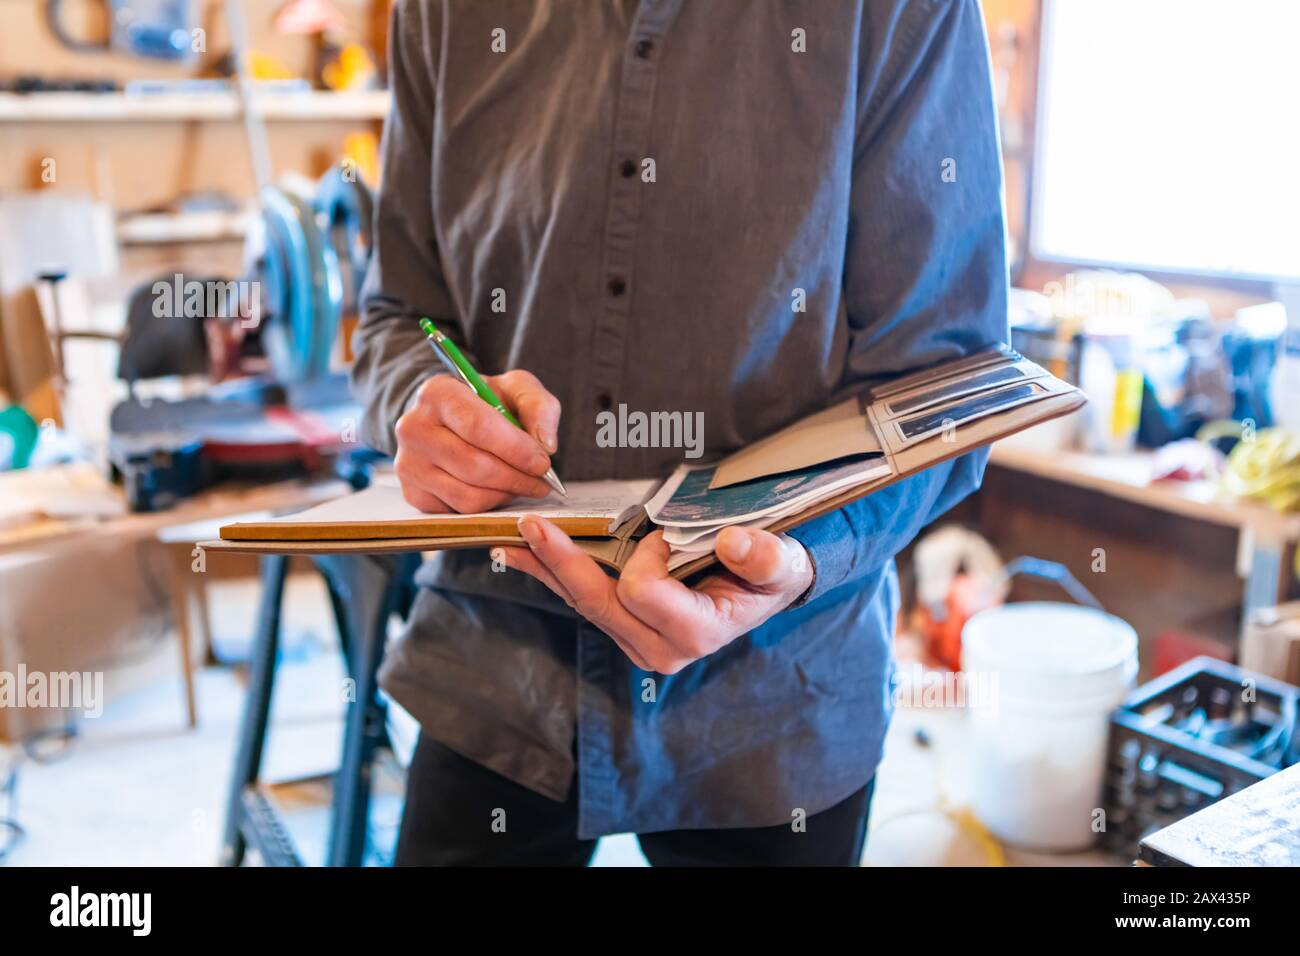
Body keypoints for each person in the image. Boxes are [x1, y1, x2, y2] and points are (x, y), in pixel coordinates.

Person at [352, 0, 1007, 866]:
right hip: (499, 664)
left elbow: (949, 373)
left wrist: (799, 557)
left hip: (777, 690)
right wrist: (425, 400)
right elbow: (399, 313)